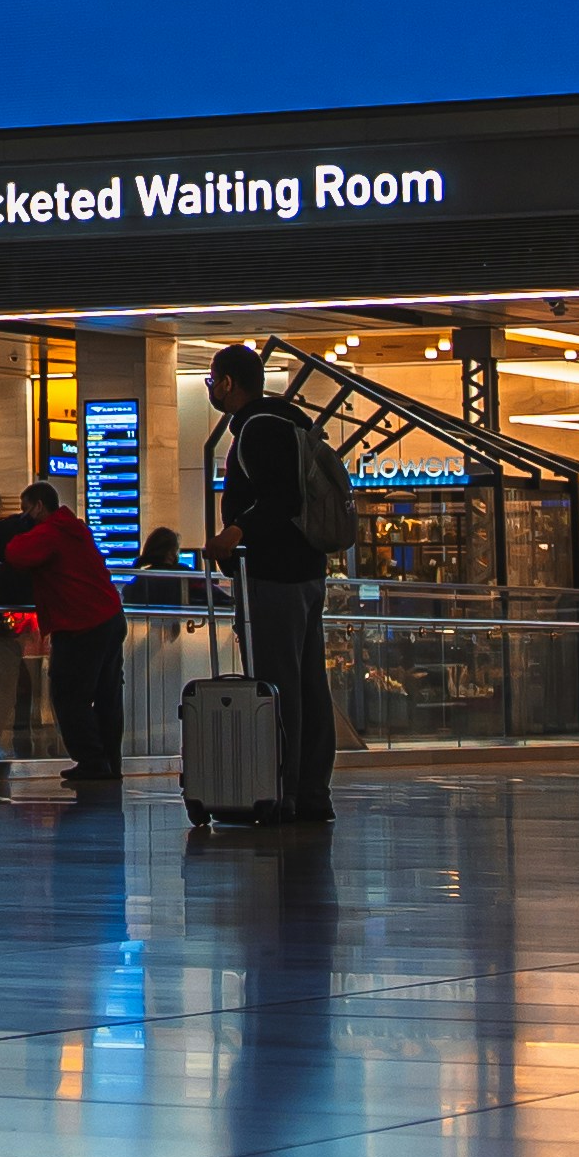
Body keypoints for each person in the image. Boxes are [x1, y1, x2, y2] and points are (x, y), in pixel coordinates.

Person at [206, 342, 337, 824]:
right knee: (308, 684)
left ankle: (283, 791)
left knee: (277, 686)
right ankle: (312, 792)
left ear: (227, 383)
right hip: (308, 571)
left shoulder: (257, 429)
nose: (212, 389)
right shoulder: (290, 422)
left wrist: (235, 532)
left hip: (273, 576)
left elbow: (280, 498)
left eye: (212, 381)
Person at [1, 476, 128, 773]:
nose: (23, 516)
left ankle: (92, 762)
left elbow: (15, 554)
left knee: (69, 694)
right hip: (110, 617)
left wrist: (15, 530)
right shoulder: (75, 528)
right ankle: (111, 762)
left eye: (25, 509)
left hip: (80, 625)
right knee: (108, 696)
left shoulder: (51, 533)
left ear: (38, 507)